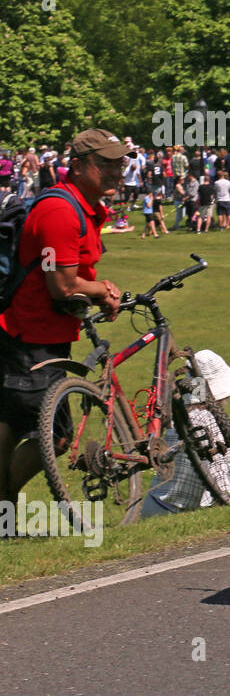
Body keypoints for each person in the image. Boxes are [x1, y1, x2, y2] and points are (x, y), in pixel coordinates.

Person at [0, 129, 126, 505]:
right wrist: (102, 290)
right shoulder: (59, 212)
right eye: (105, 164)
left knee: (10, 422)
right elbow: (63, 285)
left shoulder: (80, 205)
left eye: (120, 163)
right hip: (29, 337)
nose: (116, 171)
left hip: (38, 334)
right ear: (79, 165)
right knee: (54, 436)